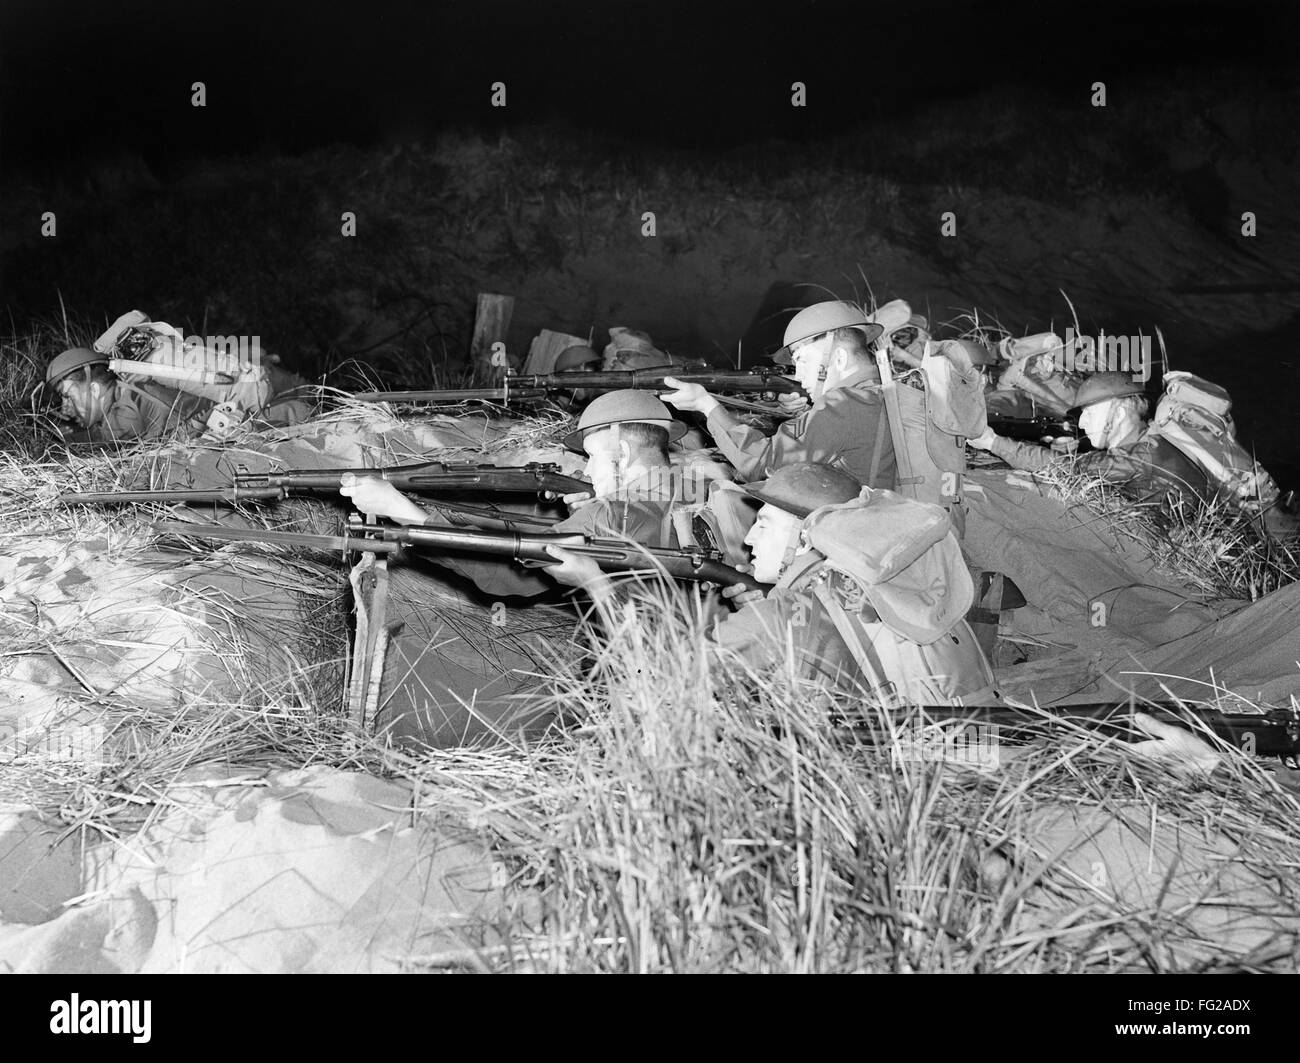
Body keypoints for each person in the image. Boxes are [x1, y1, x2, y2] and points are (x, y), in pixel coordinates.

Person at [547, 462, 994, 707]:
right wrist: (777, 597)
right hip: (944, 751)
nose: (749, 537)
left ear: (805, 535)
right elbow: (820, 631)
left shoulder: (778, 619)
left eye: (763, 523)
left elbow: (656, 684)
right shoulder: (869, 581)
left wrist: (596, 586)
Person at [339, 390, 698, 598]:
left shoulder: (608, 516)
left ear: (622, 453)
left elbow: (507, 573)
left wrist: (400, 510)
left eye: (593, 457)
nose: (587, 471)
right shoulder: (695, 490)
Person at [661, 301, 897, 489]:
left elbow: (763, 463)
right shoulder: (883, 394)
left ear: (839, 358)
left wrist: (706, 406)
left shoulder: (845, 404)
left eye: (803, 360)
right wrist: (805, 413)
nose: (799, 374)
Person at [968, 371, 1212, 509]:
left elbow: (1061, 468)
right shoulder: (1151, 439)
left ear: (1118, 412)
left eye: (1090, 414)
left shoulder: (1137, 458)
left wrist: (991, 442)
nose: (1082, 423)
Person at [43, 347, 212, 444]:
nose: (66, 407)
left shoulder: (129, 408)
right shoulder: (128, 390)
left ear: (94, 389)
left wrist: (56, 440)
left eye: (68, 396)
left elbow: (99, 442)